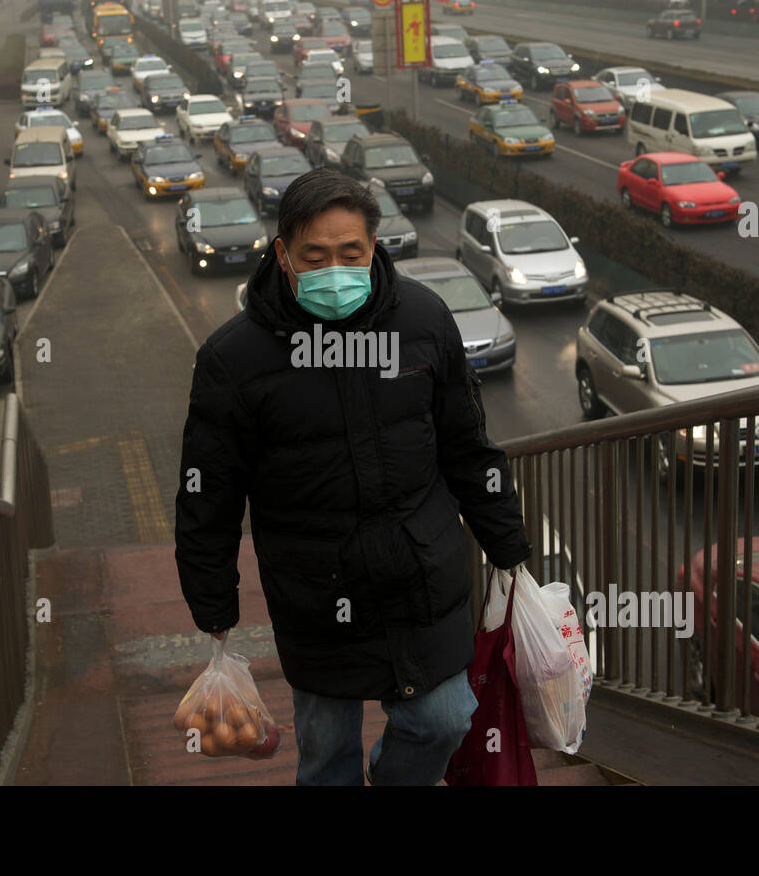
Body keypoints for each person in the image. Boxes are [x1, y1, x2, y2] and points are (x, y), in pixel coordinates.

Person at [174, 168, 531, 786]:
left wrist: (509, 547)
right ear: (282, 254)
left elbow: (468, 449)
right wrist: (213, 601)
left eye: (350, 254)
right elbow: (210, 491)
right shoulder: (234, 359)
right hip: (313, 590)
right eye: (314, 256)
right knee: (326, 755)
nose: (333, 271)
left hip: (420, 575)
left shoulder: (423, 322)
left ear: (374, 250)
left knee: (445, 718)